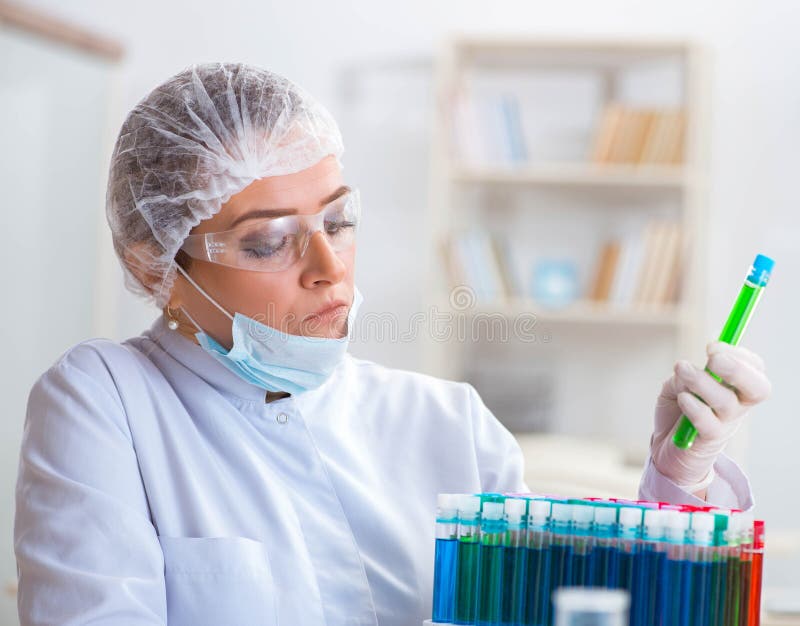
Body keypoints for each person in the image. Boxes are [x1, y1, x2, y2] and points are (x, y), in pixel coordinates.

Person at [13, 63, 771, 626]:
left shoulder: (446, 421)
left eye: (338, 222)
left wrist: (678, 477)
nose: (328, 267)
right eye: (269, 242)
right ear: (159, 264)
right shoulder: (105, 400)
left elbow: (582, 607)